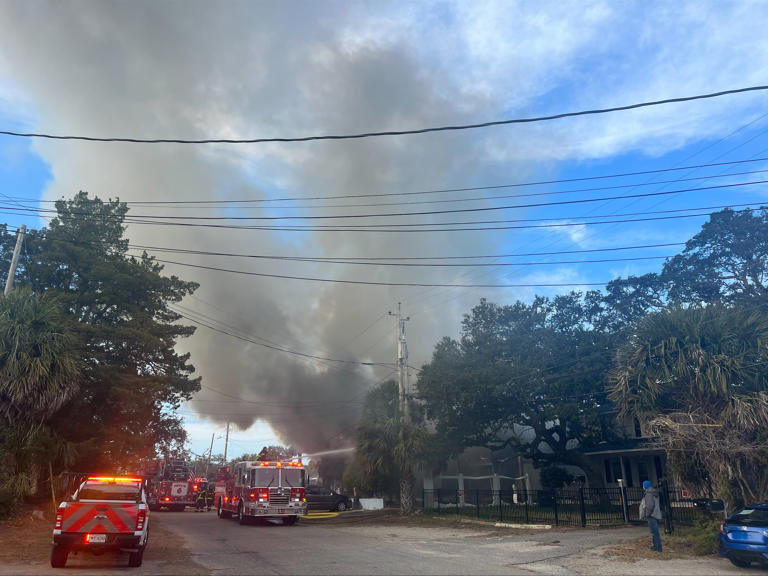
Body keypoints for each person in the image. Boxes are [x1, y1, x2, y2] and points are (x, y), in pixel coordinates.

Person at [639, 480, 663, 552]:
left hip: (651, 514)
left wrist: (647, 514)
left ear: (645, 486)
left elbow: (650, 505)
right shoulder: (654, 492)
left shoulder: (648, 494)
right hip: (656, 513)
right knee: (655, 531)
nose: (642, 487)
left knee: (654, 531)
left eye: (643, 485)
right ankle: (656, 546)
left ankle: (657, 547)